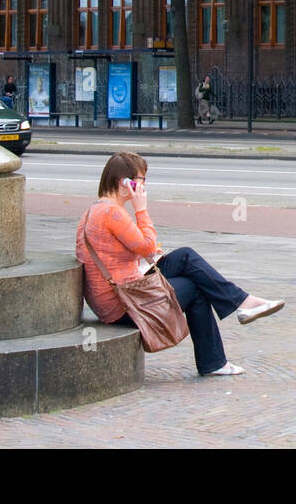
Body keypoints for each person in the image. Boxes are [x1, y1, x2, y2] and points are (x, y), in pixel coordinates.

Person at [76, 152, 283, 376]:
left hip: (117, 296)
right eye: (142, 181)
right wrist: (141, 208)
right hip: (124, 306)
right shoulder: (112, 213)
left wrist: (144, 257)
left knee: (185, 258)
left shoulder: (94, 210)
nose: (145, 187)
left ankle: (238, 313)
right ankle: (221, 347)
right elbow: (146, 245)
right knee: (195, 287)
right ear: (125, 183)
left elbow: (118, 254)